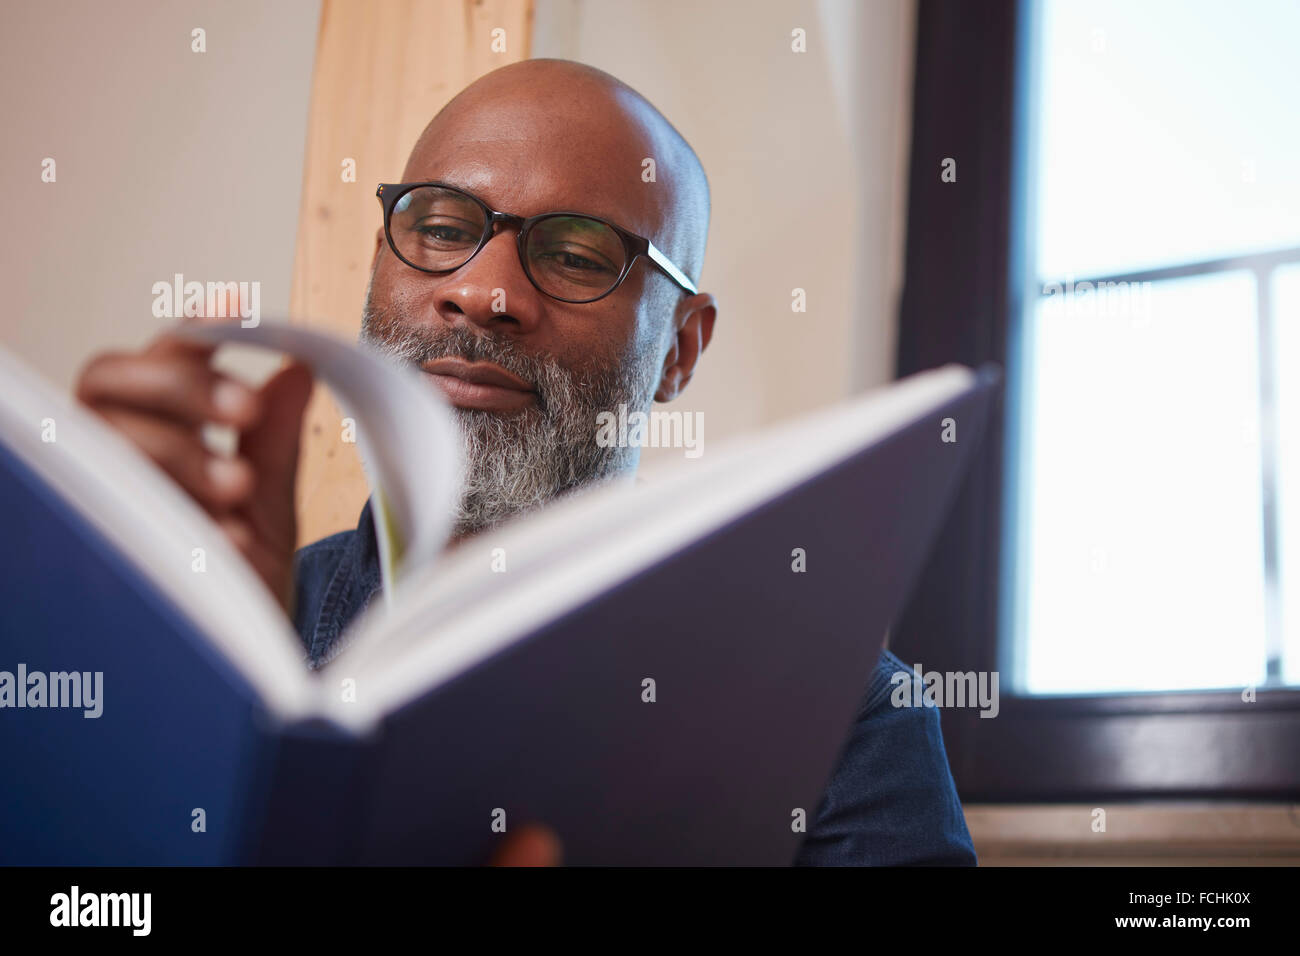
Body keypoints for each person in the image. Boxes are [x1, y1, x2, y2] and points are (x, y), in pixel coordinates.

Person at [74, 58, 976, 867]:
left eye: (577, 253)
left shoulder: (843, 718)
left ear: (680, 351)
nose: (482, 291)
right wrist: (113, 632)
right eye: (436, 227)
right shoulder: (227, 640)